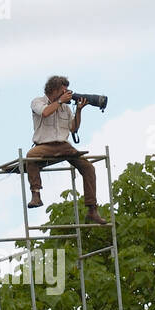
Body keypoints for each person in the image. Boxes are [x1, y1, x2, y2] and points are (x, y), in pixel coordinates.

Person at [26, 75, 108, 225]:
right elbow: (45, 112)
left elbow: (73, 128)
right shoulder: (38, 102)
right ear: (54, 89)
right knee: (30, 156)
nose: (67, 93)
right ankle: (36, 194)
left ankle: (92, 209)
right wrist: (59, 101)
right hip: (44, 145)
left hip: (64, 145)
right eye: (63, 90)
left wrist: (79, 111)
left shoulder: (65, 107)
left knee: (88, 167)